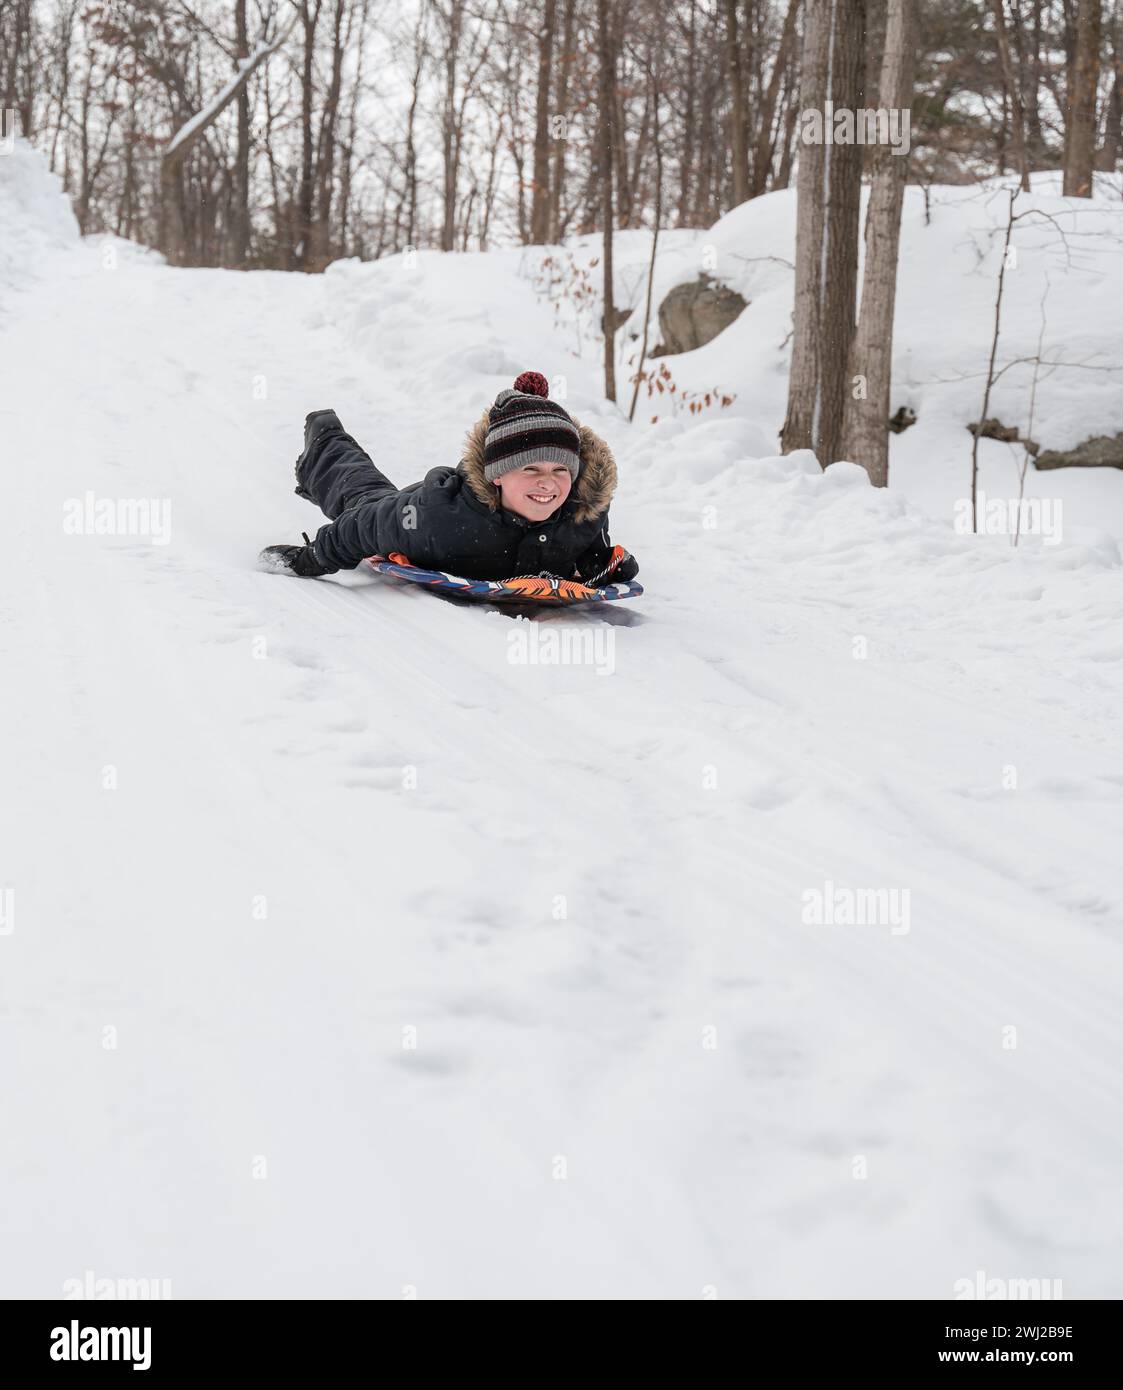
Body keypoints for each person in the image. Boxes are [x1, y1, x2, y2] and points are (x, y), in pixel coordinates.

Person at [258, 371, 639, 585]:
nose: (548, 483)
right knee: (363, 497)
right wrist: (311, 559)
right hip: (400, 513)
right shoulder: (441, 515)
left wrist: (603, 568)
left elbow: (592, 548)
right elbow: (364, 527)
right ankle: (325, 439)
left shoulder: (582, 510)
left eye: (561, 470)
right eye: (531, 469)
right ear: (498, 476)